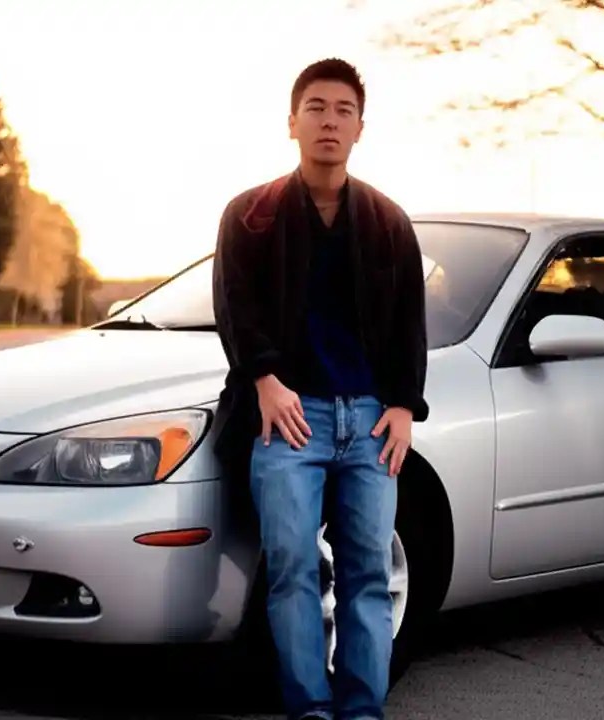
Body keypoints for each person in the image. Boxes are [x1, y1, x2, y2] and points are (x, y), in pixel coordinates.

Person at [211, 58, 429, 720]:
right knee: (293, 570)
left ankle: (362, 711)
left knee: (368, 576)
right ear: (291, 123)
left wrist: (402, 406)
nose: (328, 120)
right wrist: (267, 383)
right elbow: (234, 308)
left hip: (368, 421)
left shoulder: (389, 220)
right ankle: (309, 709)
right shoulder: (249, 215)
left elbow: (408, 322)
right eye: (315, 107)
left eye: (342, 110)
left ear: (360, 128)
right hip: (287, 417)